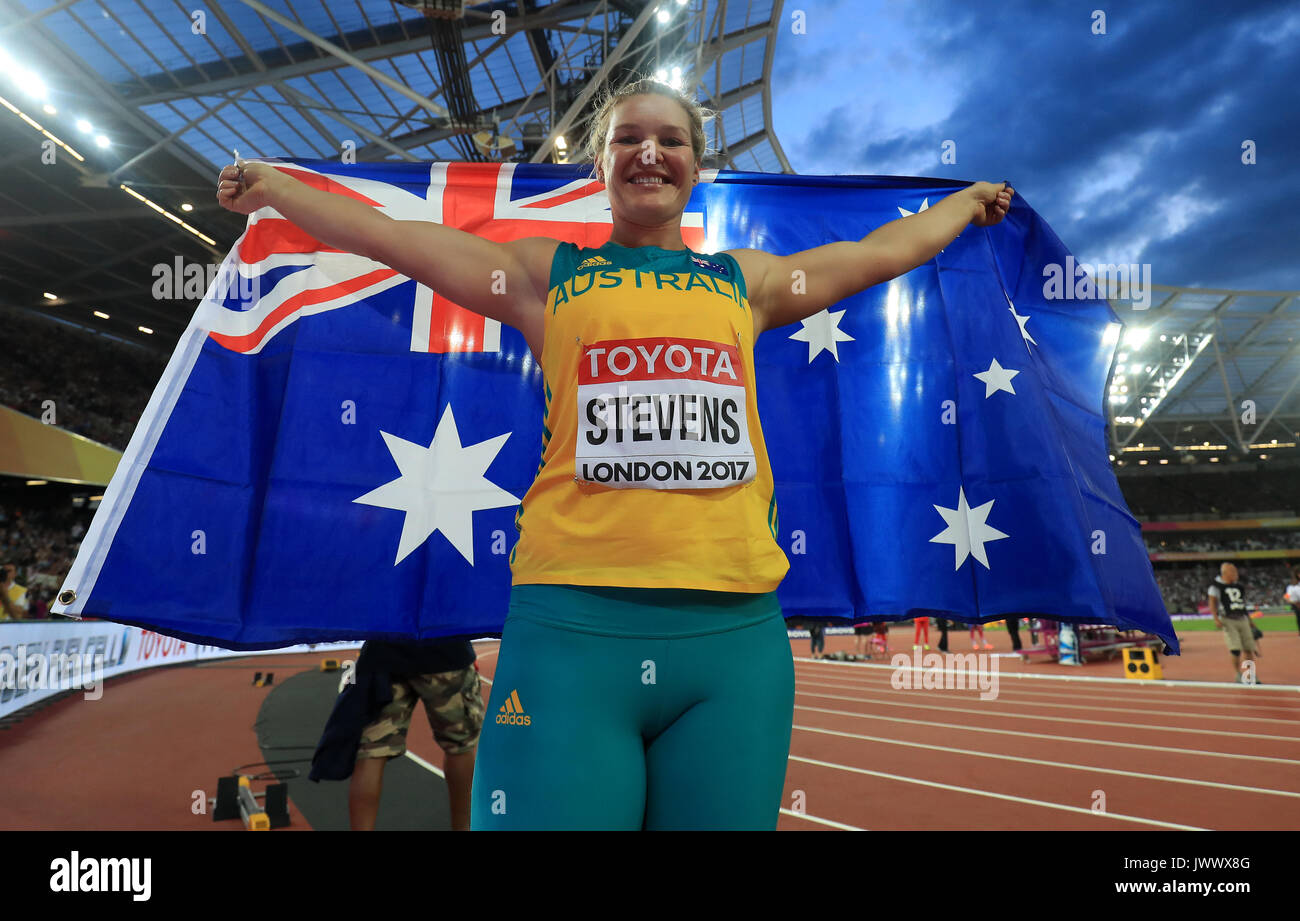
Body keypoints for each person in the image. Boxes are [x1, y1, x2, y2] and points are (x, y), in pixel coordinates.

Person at [218, 75, 1013, 830]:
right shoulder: (545, 275)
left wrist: (964, 203)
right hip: (571, 631)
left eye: (670, 139)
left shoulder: (750, 283)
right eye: (627, 139)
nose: (649, 152)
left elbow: (881, 252)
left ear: (696, 166)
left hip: (732, 643)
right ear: (601, 166)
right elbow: (394, 238)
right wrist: (278, 192)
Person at [309, 638, 484, 831]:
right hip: (445, 650)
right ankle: (464, 827)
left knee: (372, 751)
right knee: (461, 745)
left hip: (384, 653)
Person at [1207, 562, 1258, 683]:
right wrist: (1215, 618)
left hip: (1242, 618)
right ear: (1225, 573)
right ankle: (1238, 674)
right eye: (1233, 572)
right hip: (1228, 619)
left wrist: (1250, 620)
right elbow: (1212, 602)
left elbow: (1242, 604)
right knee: (1235, 649)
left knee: (1249, 648)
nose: (1236, 574)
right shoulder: (1215, 586)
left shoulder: (1238, 586)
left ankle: (1249, 675)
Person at [1284, 569, 1300, 636]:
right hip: (1296, 603)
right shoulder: (1291, 587)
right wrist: (1290, 601)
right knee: (1299, 617)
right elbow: (1287, 596)